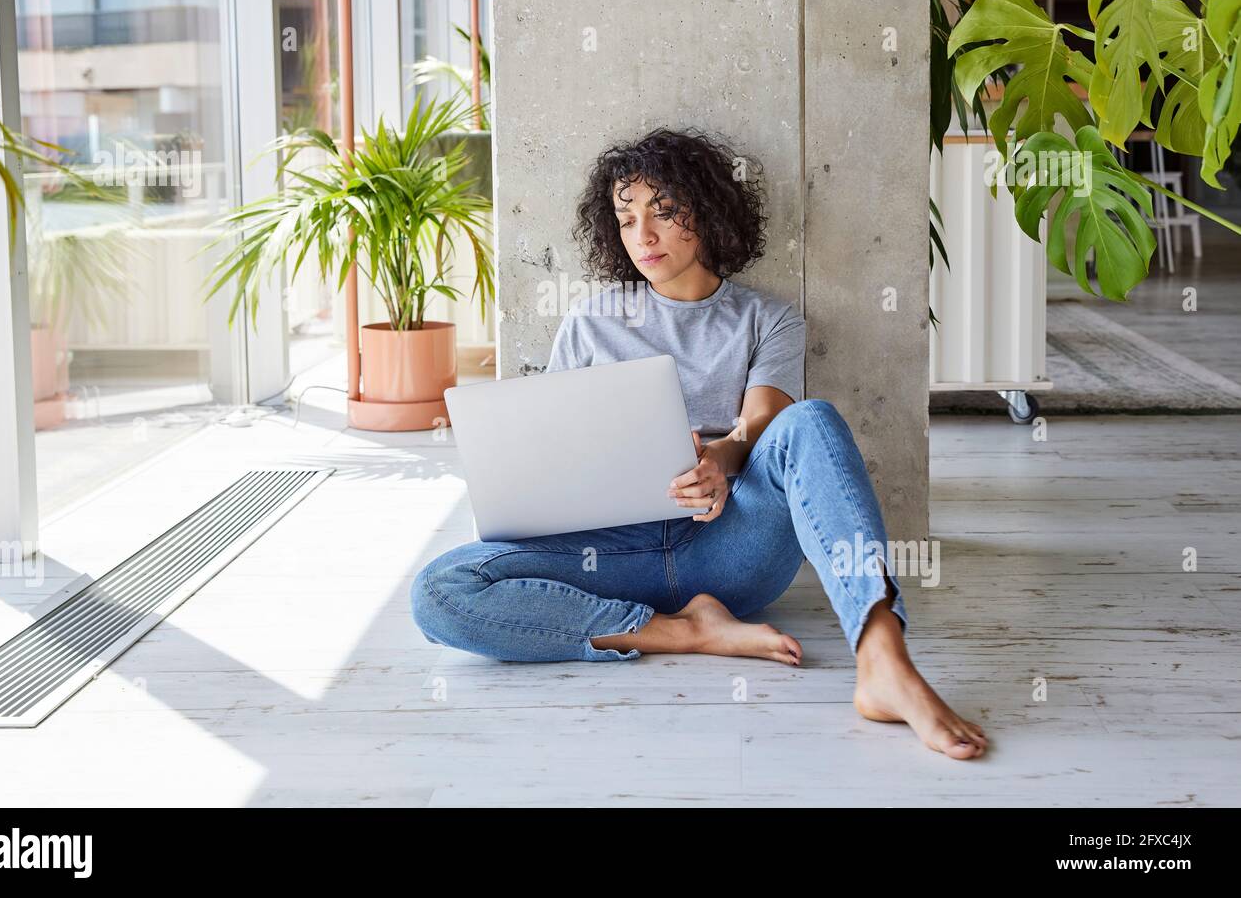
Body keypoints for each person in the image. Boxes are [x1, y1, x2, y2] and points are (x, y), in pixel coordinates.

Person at [411, 129, 987, 760]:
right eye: (627, 219)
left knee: (813, 420)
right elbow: (553, 448)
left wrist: (719, 459)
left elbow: (764, 427)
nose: (644, 236)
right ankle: (681, 633)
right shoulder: (588, 323)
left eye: (664, 212)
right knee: (439, 592)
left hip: (725, 549)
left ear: (707, 212)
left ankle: (883, 660)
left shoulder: (770, 320)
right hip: (608, 561)